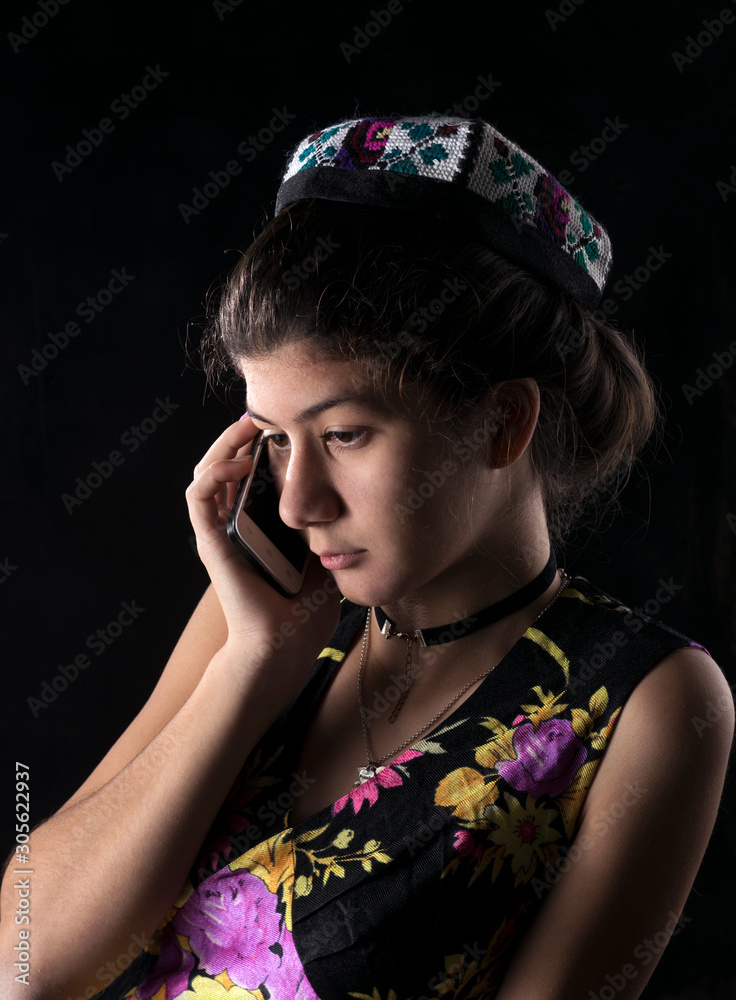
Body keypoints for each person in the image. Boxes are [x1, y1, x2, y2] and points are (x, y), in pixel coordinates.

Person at [2, 114, 733, 1000]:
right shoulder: (263, 621)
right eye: (273, 439)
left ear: (504, 422)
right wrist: (252, 665)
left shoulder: (639, 703)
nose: (298, 501)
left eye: (345, 433)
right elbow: (22, 964)